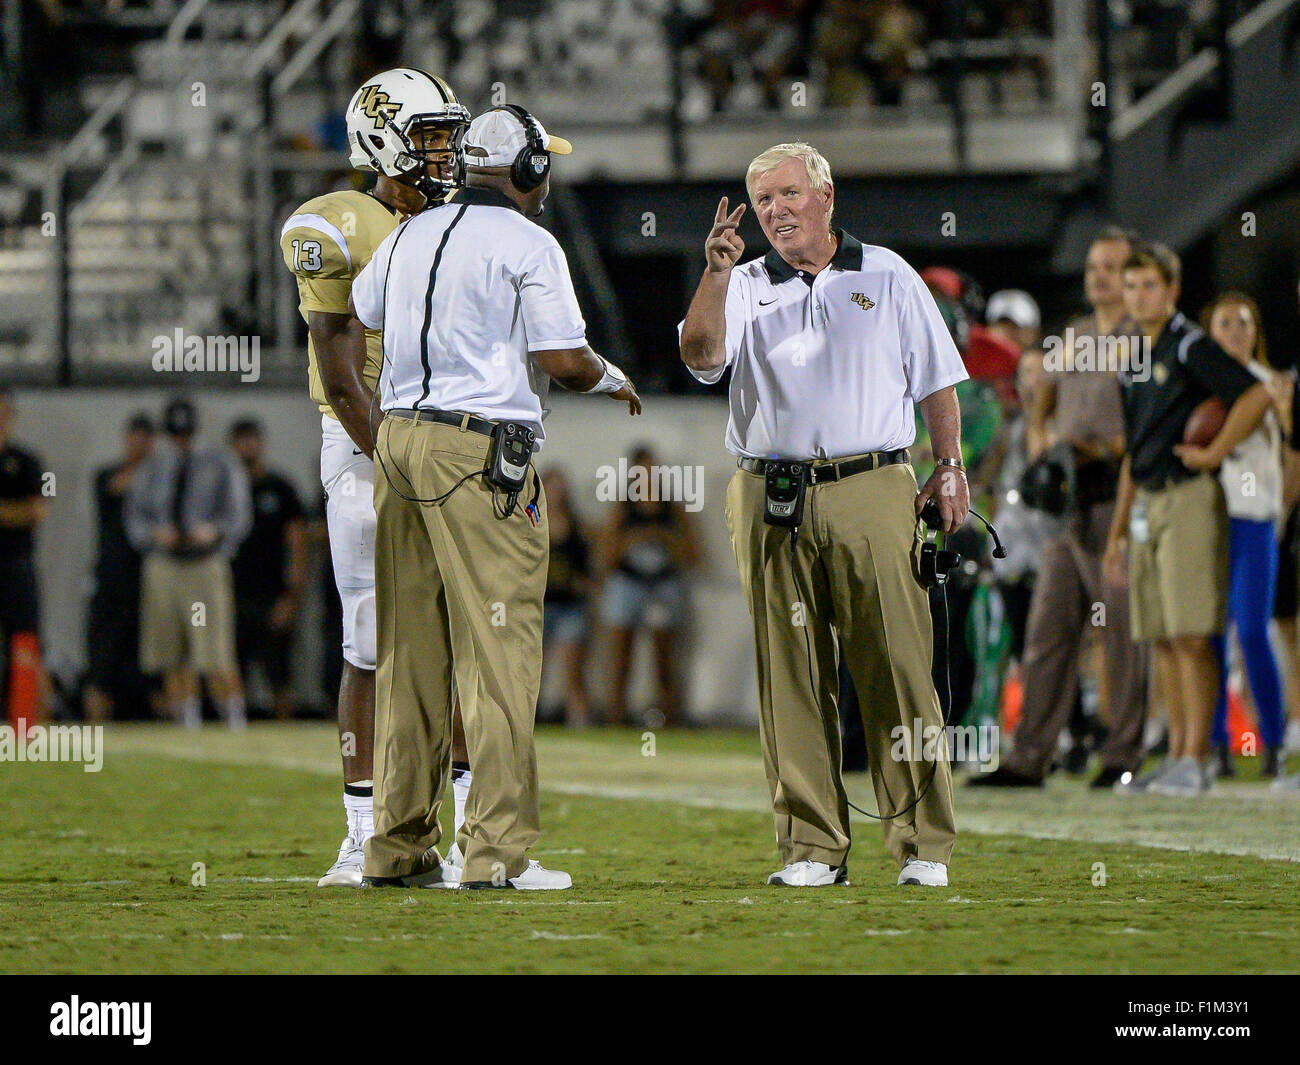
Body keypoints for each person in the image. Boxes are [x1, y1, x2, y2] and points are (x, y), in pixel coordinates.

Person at [349, 104, 640, 890]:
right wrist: (610, 376)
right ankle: (497, 852)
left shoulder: (410, 230)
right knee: (500, 652)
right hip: (480, 453)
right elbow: (562, 357)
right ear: (529, 170)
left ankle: (400, 845)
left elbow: (362, 310)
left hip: (399, 441)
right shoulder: (528, 241)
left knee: (410, 653)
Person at [679, 142, 969, 888]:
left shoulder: (888, 272)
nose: (775, 210)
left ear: (825, 196)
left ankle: (922, 844)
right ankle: (811, 846)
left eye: (786, 194)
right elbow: (701, 354)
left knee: (898, 666)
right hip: (768, 492)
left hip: (874, 483)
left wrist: (950, 465)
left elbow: (938, 379)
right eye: (762, 200)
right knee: (790, 673)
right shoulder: (740, 282)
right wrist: (713, 272)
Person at [279, 67, 476, 887]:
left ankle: (472, 834)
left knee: (470, 643)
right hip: (368, 448)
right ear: (382, 142)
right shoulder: (340, 223)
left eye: (449, 136)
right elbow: (341, 368)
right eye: (430, 136)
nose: (446, 152)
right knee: (368, 642)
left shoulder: (459, 219)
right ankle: (361, 832)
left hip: (451, 443)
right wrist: (399, 458)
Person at [973, 227, 1148, 789]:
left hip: (1115, 498)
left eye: (1111, 267)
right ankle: (1030, 756)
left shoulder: (1141, 339)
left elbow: (1142, 432)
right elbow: (1043, 410)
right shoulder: (1073, 335)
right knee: (1047, 632)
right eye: (1093, 266)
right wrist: (1049, 440)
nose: (1098, 275)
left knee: (1120, 633)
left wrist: (1096, 453)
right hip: (1065, 506)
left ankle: (1121, 754)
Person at [1102, 244, 1271, 796]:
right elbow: (1133, 452)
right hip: (1149, 500)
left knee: (1192, 633)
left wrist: (1216, 451)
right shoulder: (1133, 358)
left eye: (1149, 285)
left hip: (1189, 497)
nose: (1139, 296)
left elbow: (1253, 395)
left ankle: (1197, 758)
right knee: (1162, 637)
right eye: (1131, 287)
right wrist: (1118, 531)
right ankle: (1177, 753)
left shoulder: (1192, 345)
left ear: (1172, 291)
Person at [125, 397, 252, 730]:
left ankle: (233, 714)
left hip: (205, 565)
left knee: (214, 648)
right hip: (165, 564)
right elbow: (134, 516)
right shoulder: (153, 465)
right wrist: (154, 533)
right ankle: (186, 716)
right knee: (169, 648)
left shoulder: (221, 462)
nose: (181, 440)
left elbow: (238, 516)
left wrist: (214, 531)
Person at [1202, 293, 1286, 778]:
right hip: (1209, 519)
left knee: (1253, 630)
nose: (1235, 332)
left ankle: (1273, 740)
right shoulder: (1199, 388)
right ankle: (1217, 747)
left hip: (1254, 518)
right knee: (1208, 635)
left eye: (1243, 323)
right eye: (1225, 323)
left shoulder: (1271, 385)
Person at [599, 444, 701, 727]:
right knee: (620, 658)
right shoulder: (623, 506)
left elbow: (694, 556)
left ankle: (669, 718)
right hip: (627, 583)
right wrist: (632, 539)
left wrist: (665, 538)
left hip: (663, 586)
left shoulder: (672, 508)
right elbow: (605, 556)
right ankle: (615, 718)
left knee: (664, 659)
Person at [228, 419, 307, 721]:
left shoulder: (280, 488)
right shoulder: (223, 489)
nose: (247, 446)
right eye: (241, 440)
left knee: (279, 673)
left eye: (252, 439)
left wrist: (291, 597)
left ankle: (284, 730)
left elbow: (297, 547)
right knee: (234, 669)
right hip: (233, 595)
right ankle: (235, 735)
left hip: (272, 596)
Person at [84, 413, 156, 722]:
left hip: (148, 585)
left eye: (146, 439)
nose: (141, 445)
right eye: (136, 438)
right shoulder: (107, 475)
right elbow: (117, 486)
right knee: (101, 668)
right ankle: (95, 731)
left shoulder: (160, 478)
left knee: (152, 671)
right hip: (111, 585)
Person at [0, 386, 48, 722]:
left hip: (16, 563)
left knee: (24, 641)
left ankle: (24, 717)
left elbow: (40, 508)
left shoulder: (32, 462)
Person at [541, 467, 594, 727]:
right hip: (539, 606)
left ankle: (580, 727)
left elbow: (587, 569)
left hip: (569, 607)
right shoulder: (530, 520)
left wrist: (582, 583)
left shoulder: (576, 525)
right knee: (530, 674)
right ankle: (525, 729)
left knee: (573, 675)